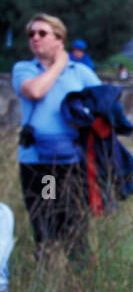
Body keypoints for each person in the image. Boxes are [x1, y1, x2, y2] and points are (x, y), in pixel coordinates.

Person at [12, 13, 101, 258]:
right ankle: (48, 267)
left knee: (73, 219)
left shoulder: (79, 72)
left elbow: (103, 103)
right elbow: (35, 91)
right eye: (31, 34)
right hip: (41, 164)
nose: (35, 38)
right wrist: (59, 65)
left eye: (42, 33)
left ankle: (76, 274)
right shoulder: (24, 69)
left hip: (72, 161)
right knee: (46, 214)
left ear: (59, 38)